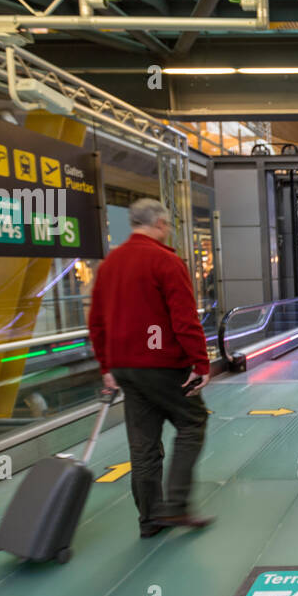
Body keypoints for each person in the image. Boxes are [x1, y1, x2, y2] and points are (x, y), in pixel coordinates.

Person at [88, 198, 214, 538]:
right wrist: (200, 363)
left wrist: (106, 366)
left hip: (125, 368)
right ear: (159, 223)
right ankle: (174, 506)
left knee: (143, 445)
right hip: (160, 364)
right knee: (192, 421)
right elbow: (183, 317)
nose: (168, 230)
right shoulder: (165, 261)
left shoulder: (110, 264)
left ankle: (149, 519)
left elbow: (96, 322)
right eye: (167, 225)